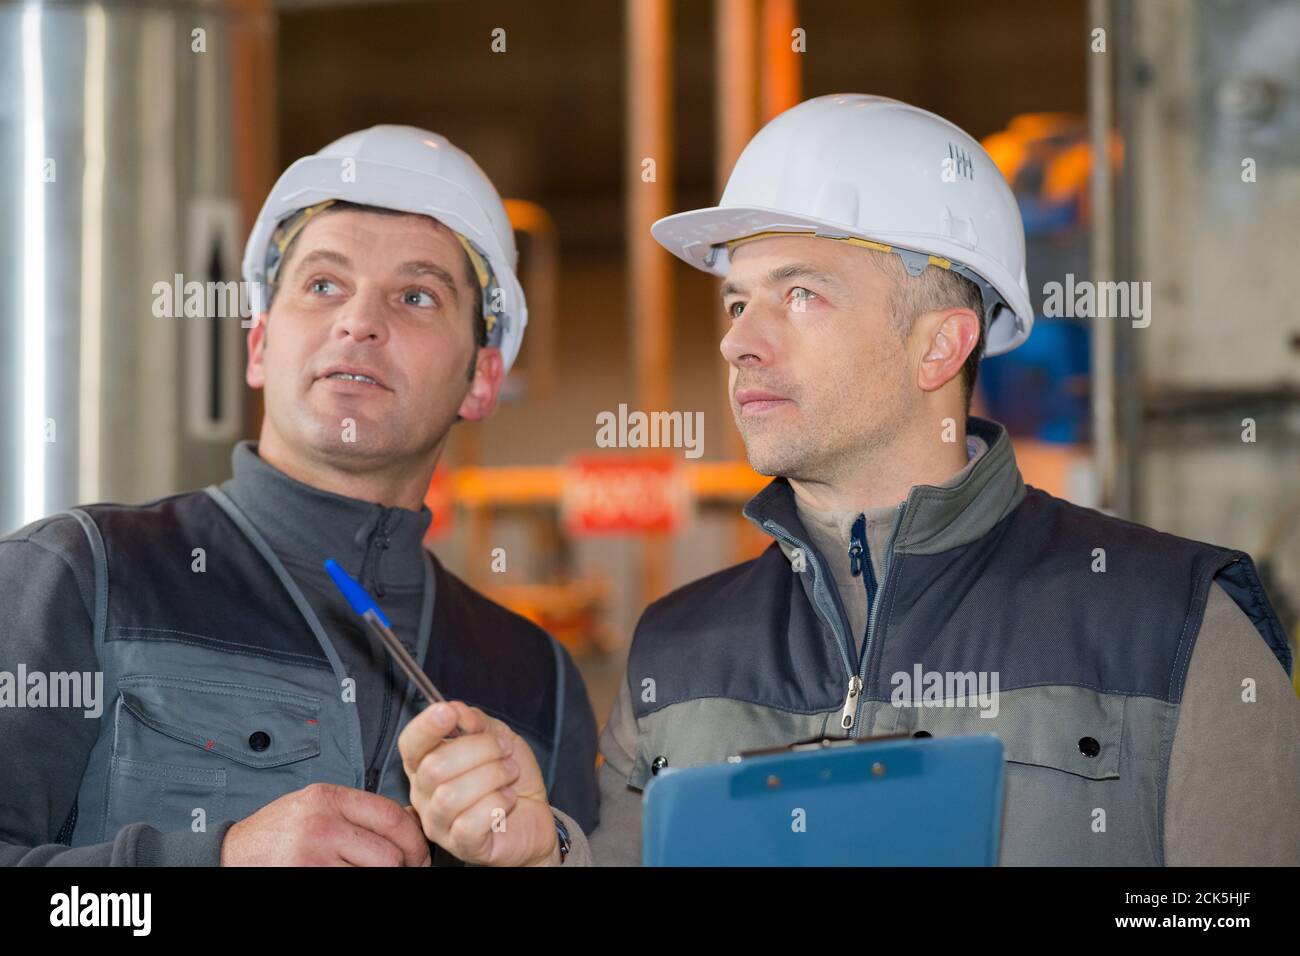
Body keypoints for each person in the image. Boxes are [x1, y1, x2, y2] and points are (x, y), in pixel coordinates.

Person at [576, 94, 1299, 866]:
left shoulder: (1172, 623)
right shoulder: (675, 651)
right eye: (736, 300)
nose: (737, 342)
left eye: (799, 295)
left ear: (940, 347)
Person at [0, 126, 597, 866]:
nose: (359, 321)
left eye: (416, 295)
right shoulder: (79, 578)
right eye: (323, 285)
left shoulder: (536, 678)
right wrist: (214, 861)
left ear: (481, 378)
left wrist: (553, 858)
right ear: (259, 345)